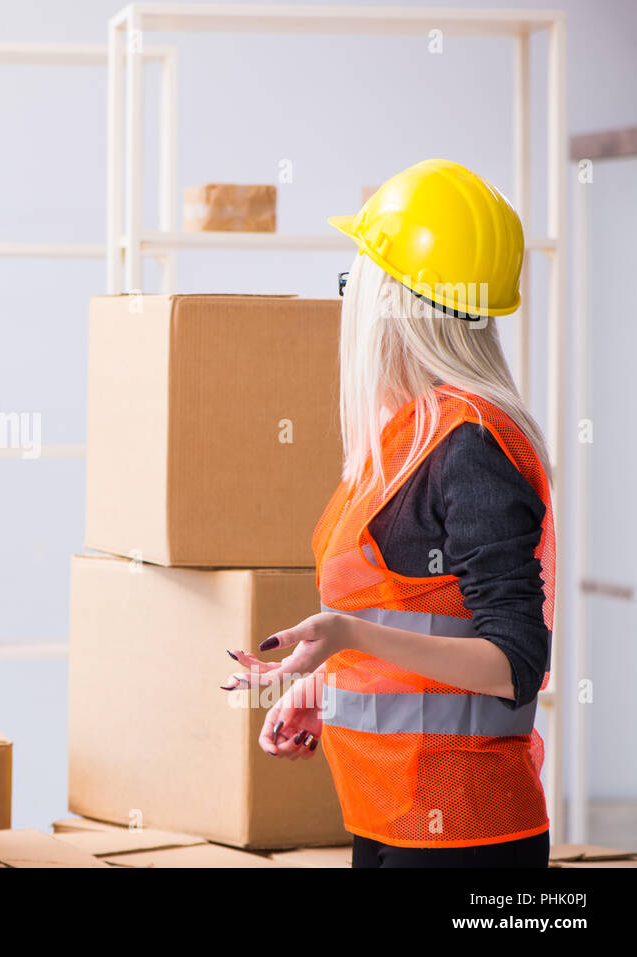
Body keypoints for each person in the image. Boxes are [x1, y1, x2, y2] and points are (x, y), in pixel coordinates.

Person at [219, 159, 555, 868]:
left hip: (465, 830)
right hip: (387, 812)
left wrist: (347, 635)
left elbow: (514, 662)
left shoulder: (470, 449)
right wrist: (325, 679)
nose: (348, 304)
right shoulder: (412, 438)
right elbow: (419, 613)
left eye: (354, 284)